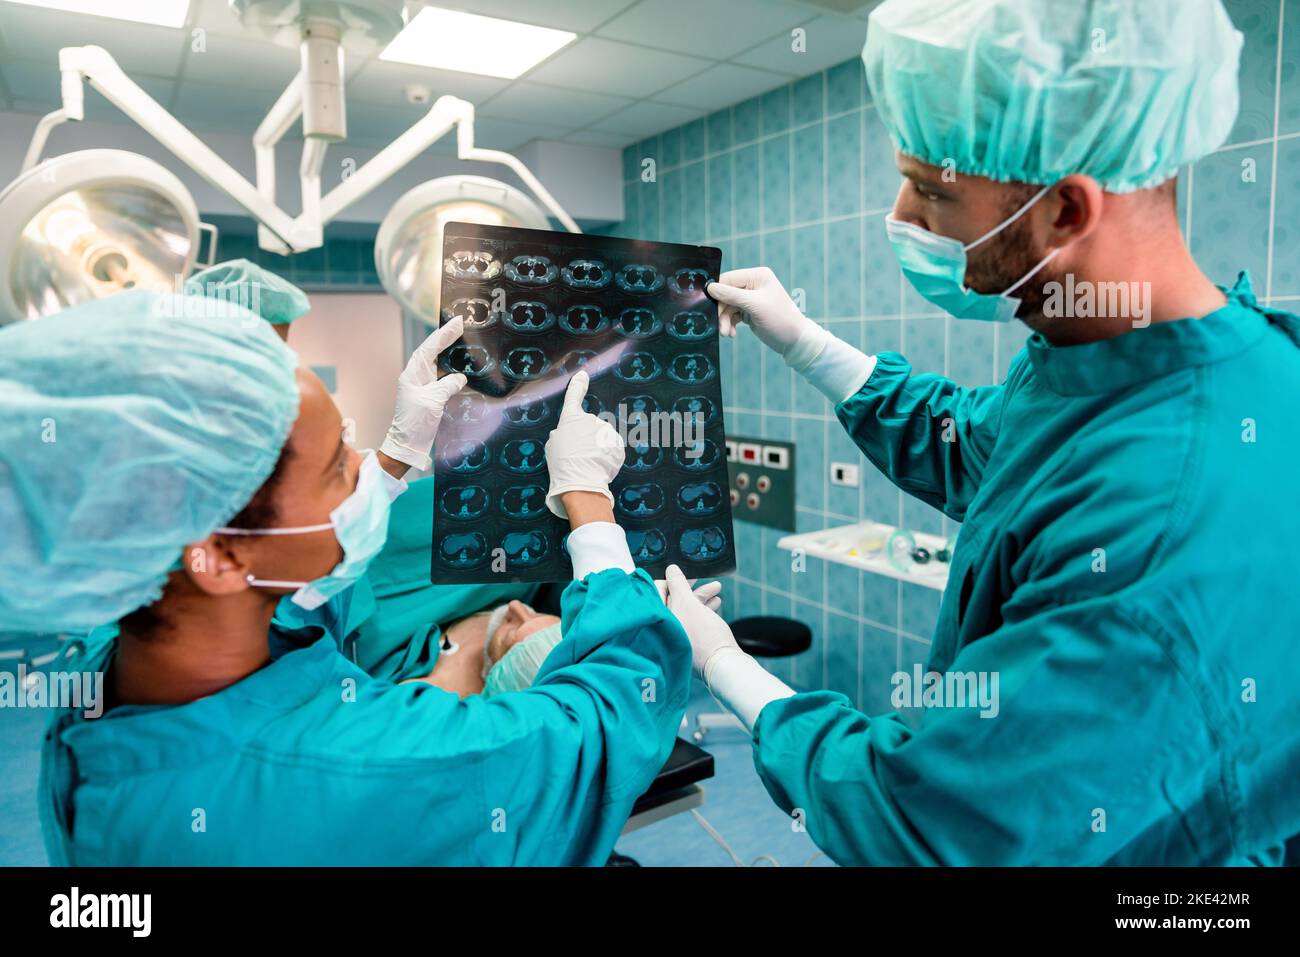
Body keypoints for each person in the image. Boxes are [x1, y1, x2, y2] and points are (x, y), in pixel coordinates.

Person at [685, 0, 1300, 865]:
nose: (903, 216)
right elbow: (982, 447)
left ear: (1067, 211)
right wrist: (811, 347)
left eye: (934, 190)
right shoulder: (1108, 352)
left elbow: (935, 827)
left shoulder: (1162, 524)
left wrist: (724, 665)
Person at [0, 289, 698, 865]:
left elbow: (291, 613)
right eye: (339, 464)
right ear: (218, 555)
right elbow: (598, 729)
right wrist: (589, 504)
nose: (359, 467)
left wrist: (394, 462)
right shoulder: (376, 766)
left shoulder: (112, 669)